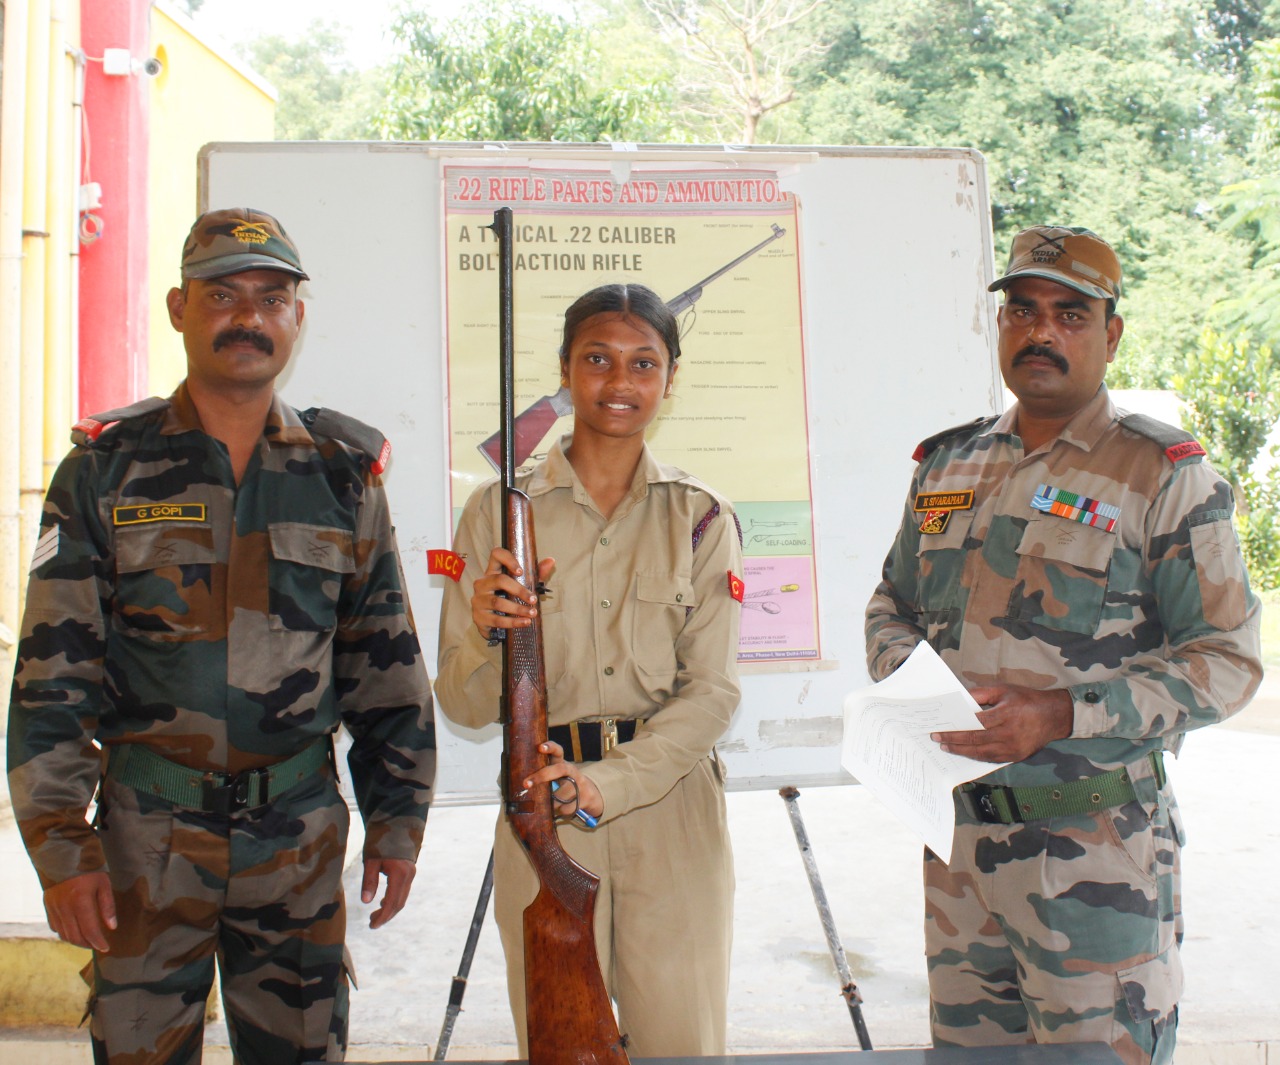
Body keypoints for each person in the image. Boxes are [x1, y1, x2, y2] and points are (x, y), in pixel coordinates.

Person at [6, 208, 437, 1064]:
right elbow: (52, 678)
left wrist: (397, 820)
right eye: (222, 294)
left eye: (271, 297)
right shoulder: (105, 469)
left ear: (296, 318)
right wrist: (62, 849)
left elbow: (382, 661)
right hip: (145, 842)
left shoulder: (341, 474)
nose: (248, 316)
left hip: (298, 843)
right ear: (178, 307)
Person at [865, 225, 1262, 1065]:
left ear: (1110, 333)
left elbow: (1227, 657)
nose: (1041, 331)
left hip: (1096, 861)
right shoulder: (948, 465)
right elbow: (890, 604)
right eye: (1023, 310)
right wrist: (913, 682)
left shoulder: (1163, 474)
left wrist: (1063, 713)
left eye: (1070, 313)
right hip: (961, 853)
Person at [435, 283, 743, 1057]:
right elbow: (466, 705)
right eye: (598, 359)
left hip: (668, 806)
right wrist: (482, 629)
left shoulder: (700, 515)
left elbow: (711, 692)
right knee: (562, 1042)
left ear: (670, 379)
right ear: (564, 370)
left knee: (681, 1041)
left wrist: (610, 782)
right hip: (541, 804)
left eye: (644, 363)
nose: (619, 382)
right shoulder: (498, 511)